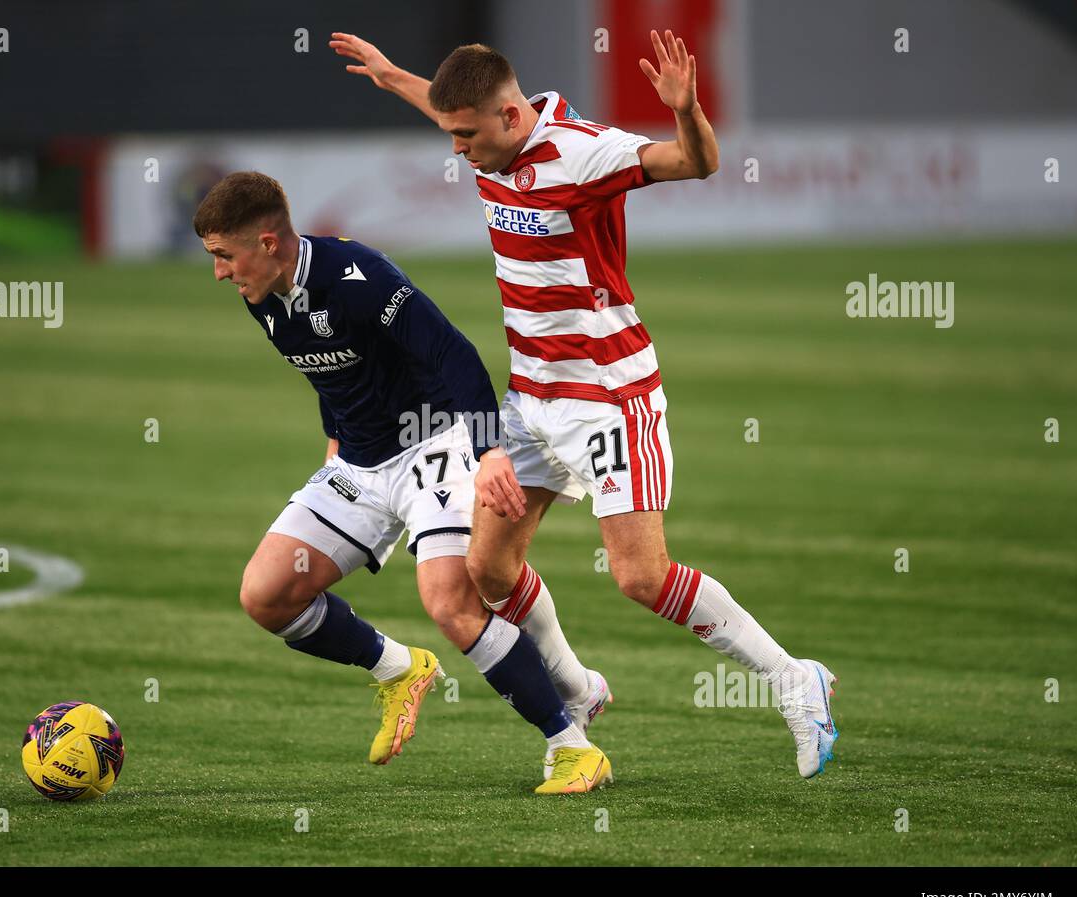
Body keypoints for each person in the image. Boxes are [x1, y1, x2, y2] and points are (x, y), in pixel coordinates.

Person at [330, 29, 838, 778]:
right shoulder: (488, 136)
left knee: (640, 576)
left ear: (509, 117)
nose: (457, 151)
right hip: (530, 399)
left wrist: (686, 110)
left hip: (607, 396)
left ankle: (794, 678)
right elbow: (449, 110)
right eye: (451, 134)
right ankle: (578, 689)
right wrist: (392, 75)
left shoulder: (584, 152)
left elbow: (696, 162)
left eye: (466, 136)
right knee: (488, 568)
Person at [195, 170, 613, 793]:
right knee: (267, 594)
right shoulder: (261, 297)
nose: (219, 272)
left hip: (434, 445)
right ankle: (398, 669)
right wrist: (335, 439)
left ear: (268, 242)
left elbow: (452, 353)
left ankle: (572, 745)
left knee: (449, 603)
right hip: (358, 465)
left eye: (224, 255)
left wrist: (490, 451)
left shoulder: (358, 276)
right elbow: (331, 372)